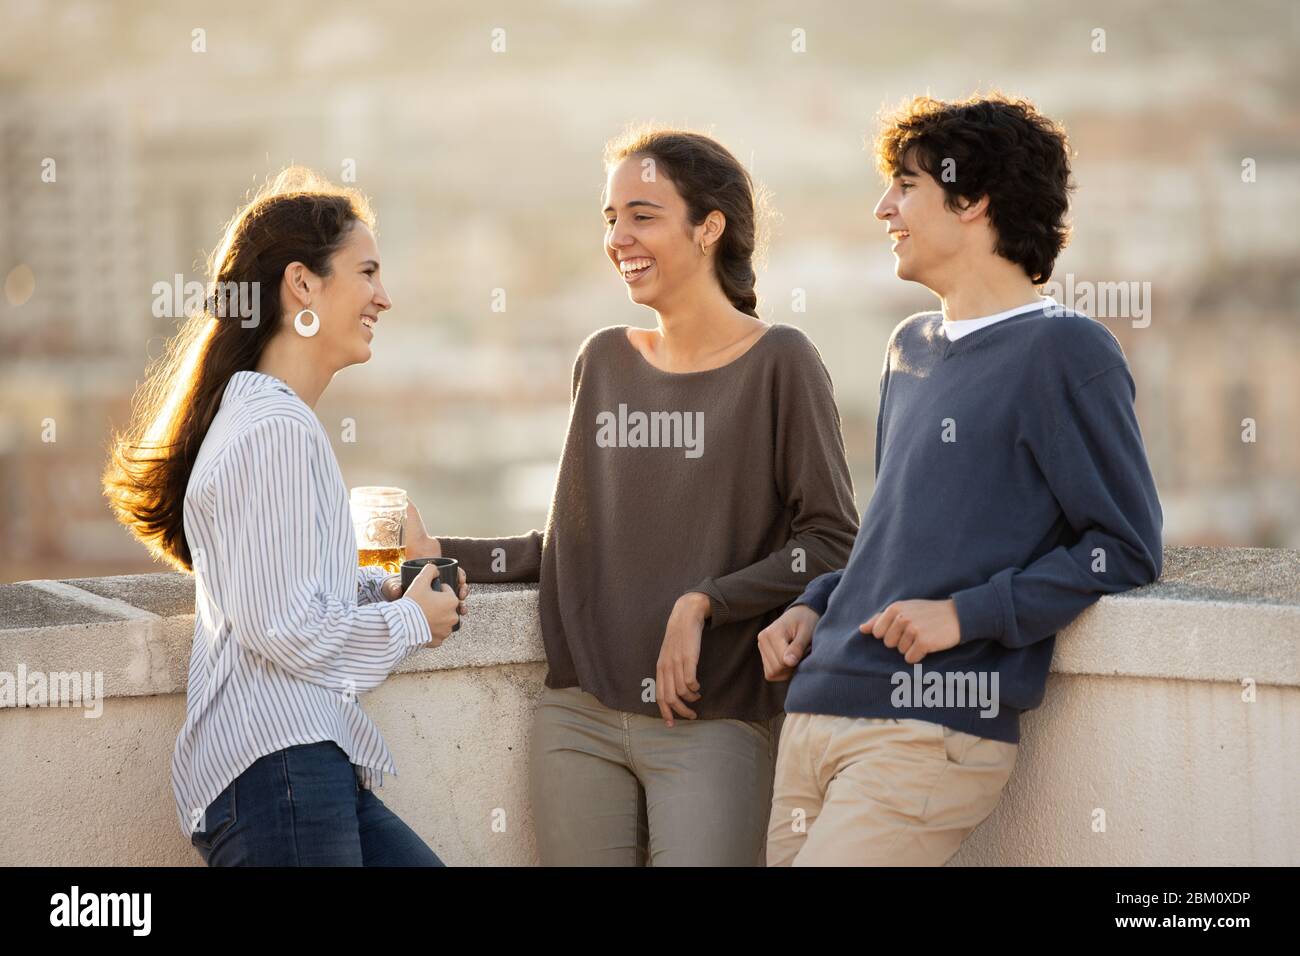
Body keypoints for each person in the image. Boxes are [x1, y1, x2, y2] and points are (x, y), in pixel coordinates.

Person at [406, 129, 859, 865]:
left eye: (642, 215)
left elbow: (833, 540)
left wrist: (704, 601)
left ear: (708, 227)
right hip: (576, 717)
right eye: (610, 217)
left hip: (712, 721)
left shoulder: (783, 362)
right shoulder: (605, 359)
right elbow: (582, 542)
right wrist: (445, 553)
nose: (618, 237)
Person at [760, 94, 1164, 866]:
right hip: (818, 705)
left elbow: (1125, 546)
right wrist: (817, 605)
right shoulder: (907, 346)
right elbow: (901, 534)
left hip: (925, 728)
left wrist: (967, 614)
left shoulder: (1068, 352)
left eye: (905, 186)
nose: (884, 209)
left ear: (972, 198)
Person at [103, 167, 468, 866]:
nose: (383, 297)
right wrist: (412, 620)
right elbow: (283, 628)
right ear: (302, 285)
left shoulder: (261, 418)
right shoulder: (273, 426)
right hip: (280, 773)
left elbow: (285, 605)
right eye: (366, 272)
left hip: (298, 771)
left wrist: (388, 584)